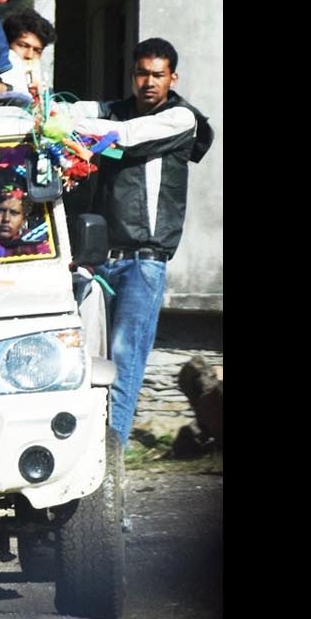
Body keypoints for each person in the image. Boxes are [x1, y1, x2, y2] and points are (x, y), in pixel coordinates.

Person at [65, 39, 214, 450]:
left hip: (143, 264)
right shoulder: (113, 109)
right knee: (85, 359)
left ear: (173, 78)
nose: (148, 82)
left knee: (125, 358)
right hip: (100, 261)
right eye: (141, 73)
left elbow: (125, 137)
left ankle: (111, 456)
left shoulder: (180, 118)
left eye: (157, 75)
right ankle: (85, 452)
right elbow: (71, 109)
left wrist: (67, 125)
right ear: (132, 75)